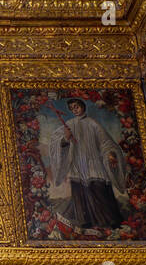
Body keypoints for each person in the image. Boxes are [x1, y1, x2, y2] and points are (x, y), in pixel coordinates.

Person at [49, 97, 128, 231]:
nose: (75, 109)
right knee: (80, 193)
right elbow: (56, 143)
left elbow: (105, 142)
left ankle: (110, 222)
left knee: (99, 189)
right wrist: (65, 138)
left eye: (77, 106)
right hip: (77, 164)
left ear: (83, 107)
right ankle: (85, 223)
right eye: (72, 108)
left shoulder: (93, 123)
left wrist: (110, 154)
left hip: (93, 163)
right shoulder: (69, 124)